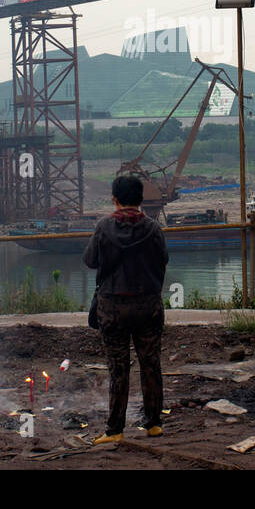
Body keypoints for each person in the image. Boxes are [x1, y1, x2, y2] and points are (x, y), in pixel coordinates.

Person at [83, 175, 168, 444]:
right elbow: (163, 261)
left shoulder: (103, 228)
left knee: (118, 369)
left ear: (114, 199)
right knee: (150, 364)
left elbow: (90, 261)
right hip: (148, 307)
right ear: (141, 200)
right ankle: (153, 424)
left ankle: (115, 430)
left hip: (113, 308)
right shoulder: (153, 229)